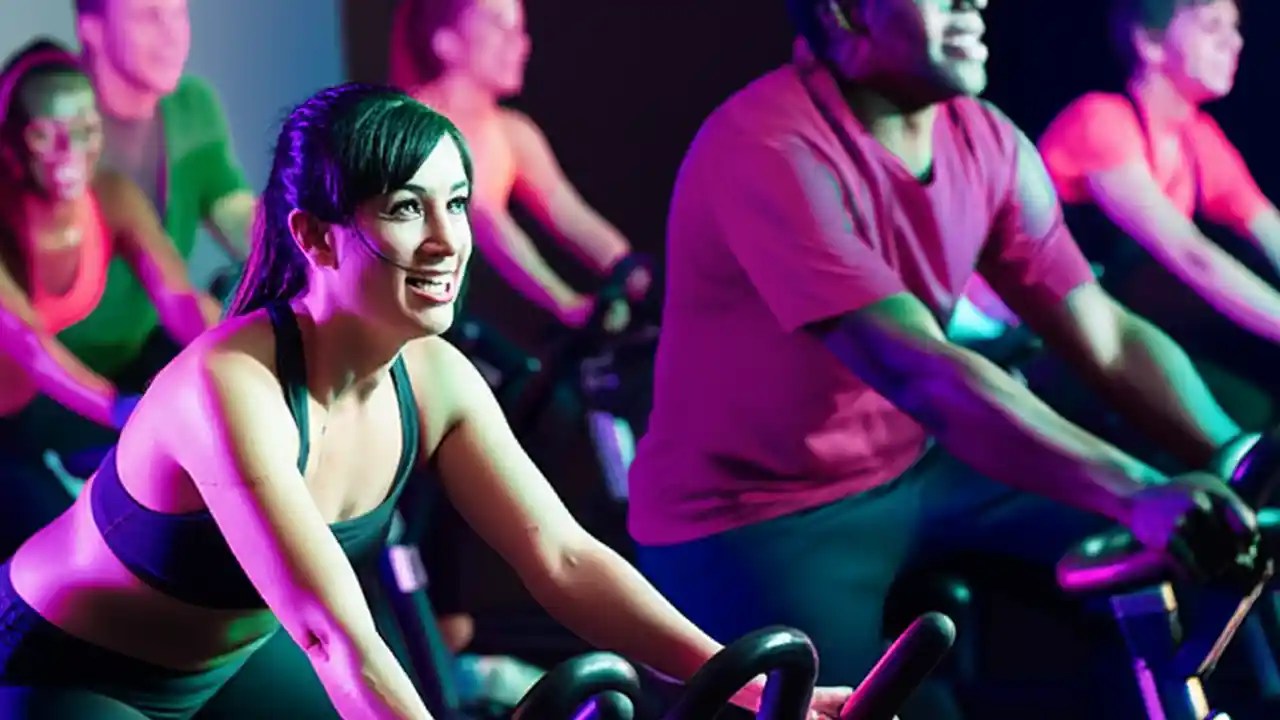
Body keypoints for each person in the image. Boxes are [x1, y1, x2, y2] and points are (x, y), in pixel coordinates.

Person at [0, 82, 851, 720]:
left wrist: (733, 682)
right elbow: (332, 633)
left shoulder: (435, 379)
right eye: (408, 208)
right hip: (74, 667)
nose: (447, 241)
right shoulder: (230, 388)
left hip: (230, 664)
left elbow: (561, 558)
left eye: (456, 204)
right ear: (315, 235)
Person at [627, 0, 1257, 717]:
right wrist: (1135, 490)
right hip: (757, 515)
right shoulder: (769, 146)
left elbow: (1105, 337)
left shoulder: (987, 141)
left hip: (918, 466)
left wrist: (1234, 456)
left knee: (1183, 573)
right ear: (846, 13)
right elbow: (919, 370)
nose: (975, 1)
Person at [0, 38, 220, 559]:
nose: (70, 151)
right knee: (58, 552)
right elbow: (29, 347)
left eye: (86, 130)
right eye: (46, 135)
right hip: (11, 423)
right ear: (13, 141)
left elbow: (180, 302)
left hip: (44, 410)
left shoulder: (112, 196)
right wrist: (121, 409)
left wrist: (254, 352)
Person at [1038, 0, 1280, 423]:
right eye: (1212, 26)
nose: (1234, 42)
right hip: (1019, 339)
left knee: (1251, 408)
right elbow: (1192, 256)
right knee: (1240, 419)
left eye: (1235, 27)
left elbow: (1270, 230)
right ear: (1149, 42)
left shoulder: (1198, 141)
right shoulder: (1100, 121)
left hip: (1098, 342)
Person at [388, 0, 645, 329]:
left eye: (520, 29)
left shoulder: (512, 132)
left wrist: (633, 273)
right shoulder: (411, 124)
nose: (521, 43)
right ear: (446, 42)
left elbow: (571, 216)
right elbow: (482, 217)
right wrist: (567, 304)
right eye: (500, 26)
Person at [67, 0, 256, 386]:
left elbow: (234, 211)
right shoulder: (54, 124)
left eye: (178, 14)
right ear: (93, 30)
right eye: (149, 17)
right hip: (47, 373)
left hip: (142, 355)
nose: (173, 36)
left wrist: (308, 241)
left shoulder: (193, 106)